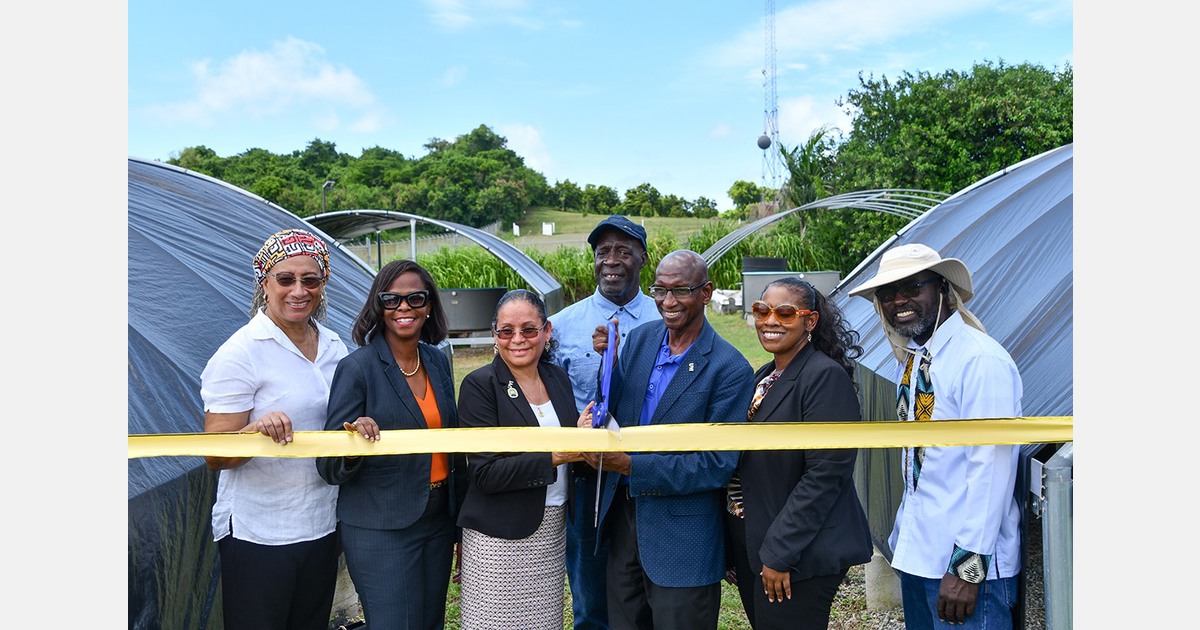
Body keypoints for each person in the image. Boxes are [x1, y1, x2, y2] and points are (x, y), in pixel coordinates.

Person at [848, 243, 1023, 629]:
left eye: (913, 288)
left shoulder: (979, 360)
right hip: (919, 557)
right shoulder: (915, 360)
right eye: (888, 294)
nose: (899, 301)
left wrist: (967, 570)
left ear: (943, 288)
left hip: (967, 572)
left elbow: (991, 471)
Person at [581, 249, 754, 630]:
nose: (668, 301)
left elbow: (716, 466)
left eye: (681, 291)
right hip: (623, 523)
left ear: (706, 293)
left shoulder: (730, 369)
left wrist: (631, 466)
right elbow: (614, 409)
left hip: (683, 541)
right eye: (660, 289)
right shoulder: (641, 340)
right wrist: (604, 374)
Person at [200, 228, 348, 630]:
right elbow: (215, 454)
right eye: (285, 279)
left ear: (323, 283)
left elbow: (338, 421)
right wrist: (254, 432)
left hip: (320, 521)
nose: (298, 290)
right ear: (265, 284)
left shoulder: (335, 346)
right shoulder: (242, 353)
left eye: (310, 280)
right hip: (259, 531)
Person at [316, 259, 465, 630]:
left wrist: (459, 521)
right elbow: (328, 463)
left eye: (416, 298)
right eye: (392, 299)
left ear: (429, 306)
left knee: (429, 622)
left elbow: (452, 442)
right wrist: (353, 440)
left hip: (437, 517)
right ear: (377, 307)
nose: (404, 308)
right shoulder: (358, 368)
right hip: (381, 525)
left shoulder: (437, 359)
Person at [723, 277, 873, 630]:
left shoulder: (824, 377)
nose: (770, 320)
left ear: (810, 321)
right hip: (754, 543)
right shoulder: (767, 375)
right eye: (762, 310)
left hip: (794, 554)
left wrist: (779, 554)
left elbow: (825, 475)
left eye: (785, 312)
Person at [548, 214, 661, 630]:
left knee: (646, 595)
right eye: (602, 252)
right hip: (586, 480)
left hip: (643, 477)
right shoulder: (560, 327)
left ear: (643, 259)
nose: (611, 261)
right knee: (590, 595)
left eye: (623, 252)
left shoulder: (666, 319)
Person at [456, 289, 589, 629]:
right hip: (498, 539)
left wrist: (585, 433)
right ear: (494, 334)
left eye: (529, 329)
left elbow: (569, 442)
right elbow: (484, 474)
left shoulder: (557, 377)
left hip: (551, 529)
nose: (518, 339)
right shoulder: (479, 385)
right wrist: (556, 456)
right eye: (506, 331)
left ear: (546, 332)